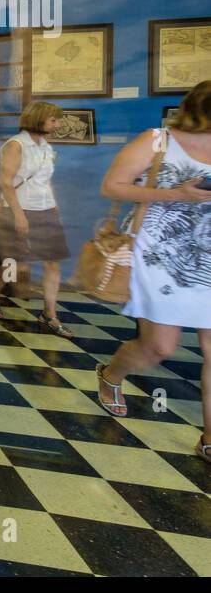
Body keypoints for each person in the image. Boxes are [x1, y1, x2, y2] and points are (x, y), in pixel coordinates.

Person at [96, 80, 211, 463]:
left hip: (207, 256)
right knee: (159, 347)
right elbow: (112, 187)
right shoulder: (157, 140)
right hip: (159, 254)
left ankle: (209, 440)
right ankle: (111, 374)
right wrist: (178, 193)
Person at [0, 101, 74, 338]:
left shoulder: (44, 146)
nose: (57, 124)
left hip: (44, 210)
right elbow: (6, 182)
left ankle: (50, 314)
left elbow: (43, 181)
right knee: (15, 262)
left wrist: (55, 208)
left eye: (57, 119)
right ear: (38, 119)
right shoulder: (16, 145)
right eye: (53, 120)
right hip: (16, 209)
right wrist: (19, 214)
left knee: (52, 262)